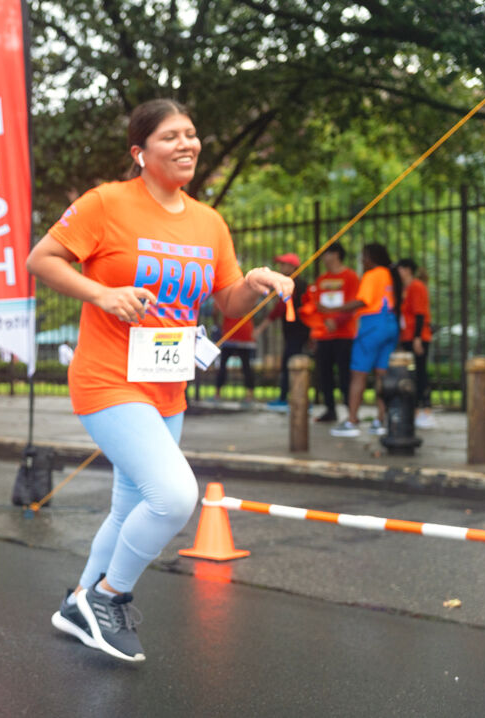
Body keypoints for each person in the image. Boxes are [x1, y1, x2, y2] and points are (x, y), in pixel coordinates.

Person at [26, 98, 293, 662]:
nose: (185, 144)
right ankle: (109, 595)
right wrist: (102, 293)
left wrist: (259, 281)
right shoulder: (106, 203)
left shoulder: (208, 221)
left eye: (191, 134)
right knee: (173, 498)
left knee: (130, 508)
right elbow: (42, 258)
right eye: (170, 136)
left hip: (168, 384)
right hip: (108, 381)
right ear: (140, 152)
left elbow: (226, 299)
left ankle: (78, 603)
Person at [330, 243, 401, 437]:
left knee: (358, 375)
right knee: (382, 375)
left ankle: (352, 420)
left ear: (371, 257)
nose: (362, 260)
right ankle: (381, 420)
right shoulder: (389, 274)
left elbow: (363, 300)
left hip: (372, 325)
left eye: (364, 256)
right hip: (390, 323)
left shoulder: (372, 274)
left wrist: (332, 309)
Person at [301, 242, 359, 423]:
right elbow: (315, 306)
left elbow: (354, 304)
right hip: (323, 335)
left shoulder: (350, 277)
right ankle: (330, 409)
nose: (323, 258)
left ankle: (351, 412)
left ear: (335, 255)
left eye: (326, 254)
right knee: (324, 374)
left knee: (345, 375)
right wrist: (316, 330)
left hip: (344, 334)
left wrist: (337, 320)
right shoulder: (321, 280)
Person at [254, 252, 309, 410]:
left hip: (299, 332)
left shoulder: (294, 284)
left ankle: (286, 399)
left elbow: (279, 309)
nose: (281, 268)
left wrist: (261, 327)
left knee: (290, 364)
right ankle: (291, 399)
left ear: (293, 267)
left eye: (284, 264)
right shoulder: (293, 283)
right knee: (292, 364)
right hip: (294, 332)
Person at [395, 258, 434, 428]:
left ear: (407, 269)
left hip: (418, 337)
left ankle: (425, 409)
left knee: (420, 373)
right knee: (411, 374)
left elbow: (420, 314)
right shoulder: (405, 288)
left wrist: (417, 338)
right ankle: (415, 409)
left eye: (400, 269)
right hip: (407, 337)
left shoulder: (416, 286)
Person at [214, 314, 256, 404]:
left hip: (231, 333)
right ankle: (250, 395)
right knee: (246, 367)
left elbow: (215, 311)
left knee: (223, 366)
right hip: (243, 332)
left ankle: (217, 394)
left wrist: (217, 324)